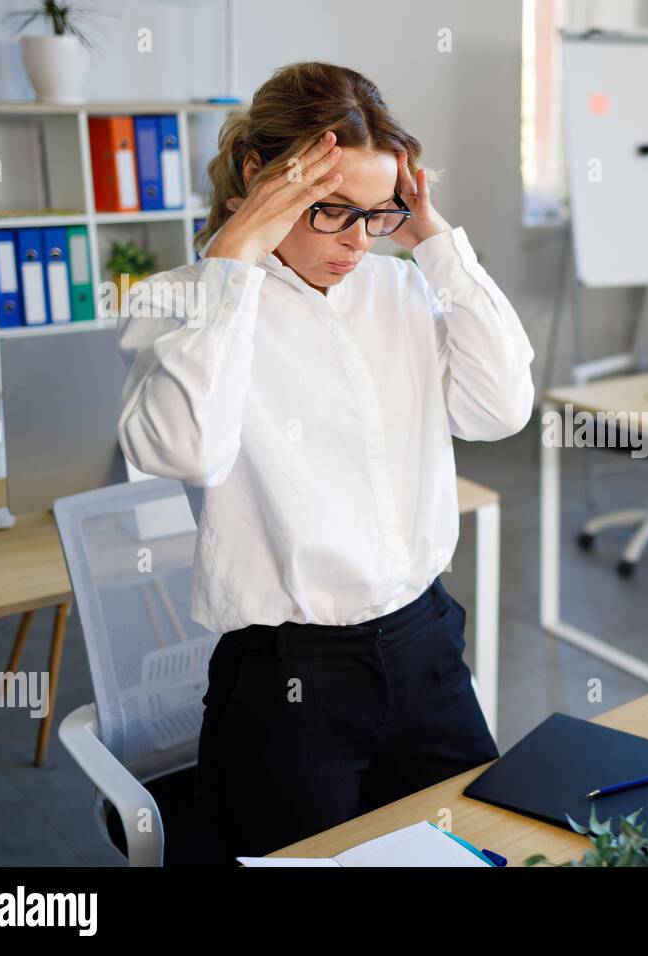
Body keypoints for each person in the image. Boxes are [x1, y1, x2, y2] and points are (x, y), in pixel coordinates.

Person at [115, 61, 534, 862]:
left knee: (478, 848)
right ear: (259, 176)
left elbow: (501, 408)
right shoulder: (180, 301)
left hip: (426, 649)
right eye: (330, 209)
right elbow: (185, 450)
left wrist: (434, 242)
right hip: (289, 679)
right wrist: (232, 258)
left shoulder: (402, 292)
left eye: (377, 215)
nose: (354, 241)